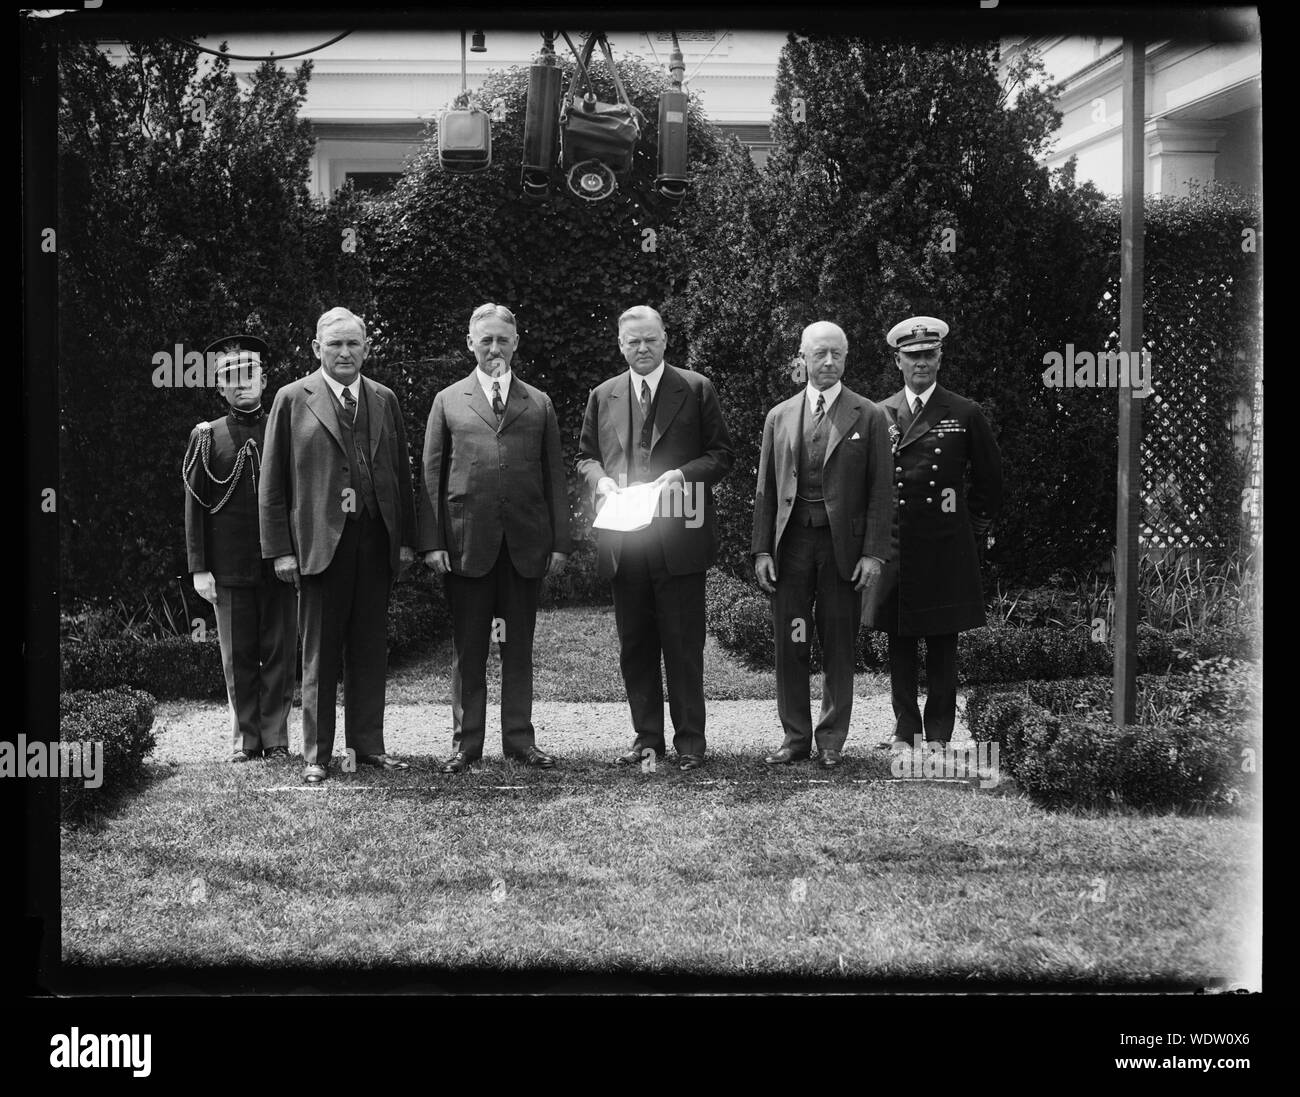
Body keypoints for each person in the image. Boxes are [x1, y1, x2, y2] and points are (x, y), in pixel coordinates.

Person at [259, 307, 417, 785]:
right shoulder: (291, 399)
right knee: (320, 653)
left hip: (374, 541)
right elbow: (272, 482)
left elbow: (400, 475)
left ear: (366, 348)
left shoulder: (384, 398)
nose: (344, 353)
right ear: (316, 349)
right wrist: (281, 551)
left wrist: (405, 540)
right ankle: (317, 754)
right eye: (335, 345)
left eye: (353, 344)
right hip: (319, 545)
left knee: (370, 648)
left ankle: (368, 746)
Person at [577, 305, 734, 771]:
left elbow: (721, 454)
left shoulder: (695, 387)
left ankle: (690, 742)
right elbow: (586, 457)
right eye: (632, 342)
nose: (642, 349)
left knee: (683, 645)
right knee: (636, 645)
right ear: (620, 345)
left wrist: (682, 476)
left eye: (650, 340)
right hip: (625, 544)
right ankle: (647, 738)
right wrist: (599, 481)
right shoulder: (602, 395)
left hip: (679, 539)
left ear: (665, 339)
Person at [419, 304, 572, 773]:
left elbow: (554, 476)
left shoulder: (538, 402)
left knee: (519, 648)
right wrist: (432, 542)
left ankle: (520, 741)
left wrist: (560, 543)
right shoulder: (448, 400)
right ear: (470, 343)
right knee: (469, 649)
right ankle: (466, 745)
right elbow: (431, 474)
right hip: (467, 546)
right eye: (485, 340)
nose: (494, 348)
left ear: (515, 342)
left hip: (526, 547)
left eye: (502, 340)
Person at [751, 321, 893, 768]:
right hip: (791, 548)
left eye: (836, 354)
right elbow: (765, 491)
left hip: (842, 551)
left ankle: (831, 739)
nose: (828, 362)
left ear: (846, 358)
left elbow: (881, 492)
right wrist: (761, 551)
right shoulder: (779, 416)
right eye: (819, 354)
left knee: (837, 642)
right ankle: (794, 737)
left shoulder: (867, 415)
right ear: (803, 358)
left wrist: (873, 552)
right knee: (791, 642)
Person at [863, 316, 1003, 753]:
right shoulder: (878, 412)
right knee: (899, 640)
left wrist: (973, 528)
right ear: (897, 361)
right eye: (912, 356)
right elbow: (867, 483)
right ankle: (905, 729)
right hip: (897, 544)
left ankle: (939, 731)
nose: (920, 363)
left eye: (928, 355)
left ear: (940, 357)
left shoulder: (964, 411)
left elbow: (990, 480)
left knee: (944, 640)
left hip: (946, 545)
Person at [183, 335, 296, 764]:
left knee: (280, 653)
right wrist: (199, 568)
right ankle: (246, 740)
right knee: (238, 655)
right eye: (231, 376)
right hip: (228, 568)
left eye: (249, 374)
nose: (242, 383)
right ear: (220, 386)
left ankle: (277, 737)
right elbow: (195, 506)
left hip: (280, 564)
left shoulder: (283, 430)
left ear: (264, 380)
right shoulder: (206, 436)